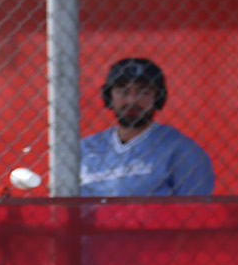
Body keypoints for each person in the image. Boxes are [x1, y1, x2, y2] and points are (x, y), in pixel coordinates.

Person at [79, 58, 215, 197]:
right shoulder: (85, 149)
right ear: (109, 97)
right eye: (123, 91)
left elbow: (196, 212)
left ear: (158, 97)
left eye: (143, 92)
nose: (132, 100)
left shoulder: (181, 151)